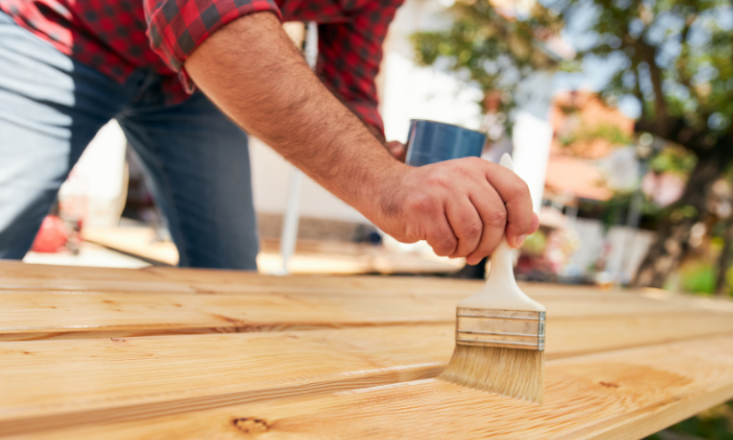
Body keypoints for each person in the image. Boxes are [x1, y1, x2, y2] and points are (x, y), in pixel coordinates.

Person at [0, 0, 538, 269]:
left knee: (230, 269)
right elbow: (198, 10)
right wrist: (385, 185)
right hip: (63, 31)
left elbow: (349, 84)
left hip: (189, 86)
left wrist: (391, 164)